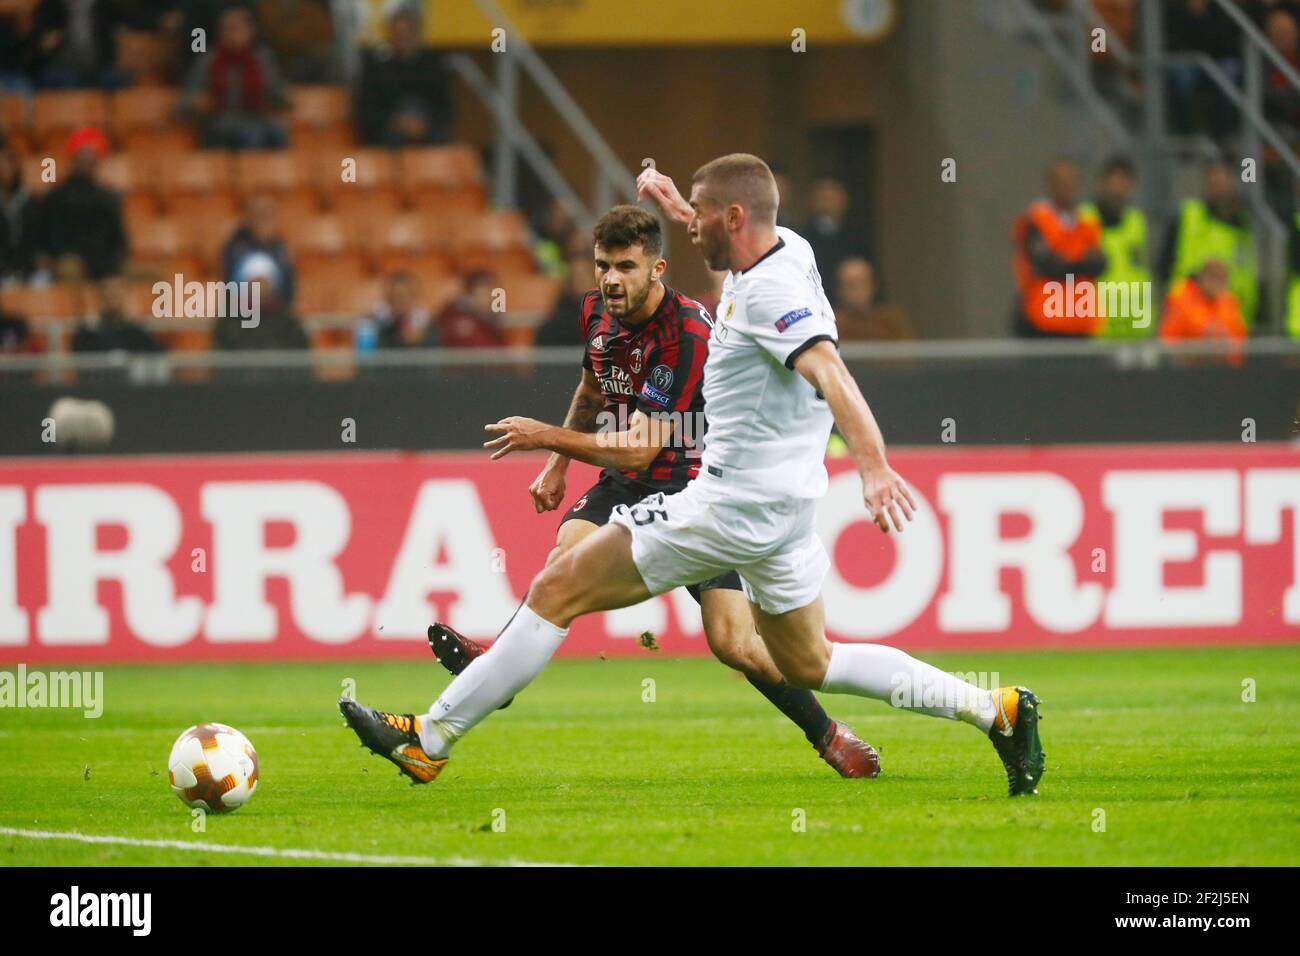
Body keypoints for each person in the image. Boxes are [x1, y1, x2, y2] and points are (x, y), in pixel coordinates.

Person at [340, 154, 1046, 798]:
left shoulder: (767, 296)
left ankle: (428, 739)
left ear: (733, 219)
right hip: (788, 512)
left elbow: (829, 369)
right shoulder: (787, 251)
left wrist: (874, 466)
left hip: (727, 505)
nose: (690, 230)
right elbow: (730, 245)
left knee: (558, 585)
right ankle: (997, 711)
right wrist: (679, 205)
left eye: (701, 217)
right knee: (807, 661)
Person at [423, 204, 879, 780]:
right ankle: (493, 672)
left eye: (625, 267)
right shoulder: (596, 311)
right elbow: (593, 386)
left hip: (696, 489)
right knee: (561, 564)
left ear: (657, 268)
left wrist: (542, 437)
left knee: (735, 644)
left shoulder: (687, 331)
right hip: (627, 479)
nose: (611, 279)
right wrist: (559, 465)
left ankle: (829, 733)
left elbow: (642, 445)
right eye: (602, 266)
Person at [1011, 159, 1105, 337]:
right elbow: (1050, 265)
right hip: (1043, 321)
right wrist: (1081, 262)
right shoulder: (1036, 220)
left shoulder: (1086, 222)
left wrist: (1069, 261)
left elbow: (1099, 264)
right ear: (1050, 185)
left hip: (1080, 321)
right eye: (1062, 182)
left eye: (1071, 181)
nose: (1067, 187)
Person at [1160, 159, 1257, 329]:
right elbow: (1164, 264)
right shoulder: (1188, 216)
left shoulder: (1242, 226)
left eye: (1224, 181)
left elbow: (1246, 276)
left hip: (1230, 320)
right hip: (1188, 321)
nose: (1219, 188)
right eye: (1214, 181)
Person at [179, 5, 289, 150]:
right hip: (218, 120)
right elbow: (183, 103)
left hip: (256, 117)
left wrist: (276, 101)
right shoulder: (208, 60)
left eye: (239, 28)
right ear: (220, 32)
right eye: (229, 29)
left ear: (251, 31)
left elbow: (279, 95)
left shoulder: (262, 59)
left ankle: (278, 172)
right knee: (251, 133)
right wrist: (197, 103)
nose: (234, 34)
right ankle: (250, 172)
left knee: (278, 132)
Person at [355, 6, 453, 147]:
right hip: (387, 135)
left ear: (417, 34)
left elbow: (446, 108)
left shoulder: (433, 66)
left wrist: (424, 124)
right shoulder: (376, 69)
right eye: (398, 33)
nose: (402, 38)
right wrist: (396, 122)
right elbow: (367, 110)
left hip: (429, 133)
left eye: (407, 32)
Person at [39, 126, 127, 280]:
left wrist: (112, 261)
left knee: (153, 276)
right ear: (73, 158)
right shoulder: (57, 197)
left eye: (91, 155)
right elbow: (53, 242)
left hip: (106, 264)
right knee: (70, 267)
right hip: (73, 264)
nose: (87, 160)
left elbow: (119, 240)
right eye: (82, 155)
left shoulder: (109, 197)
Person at [1080, 156, 1154, 338]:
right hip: (1098, 327)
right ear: (1101, 184)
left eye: (1123, 183)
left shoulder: (1137, 221)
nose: (1117, 190)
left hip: (1135, 326)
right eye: (1113, 182)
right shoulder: (1084, 219)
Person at [221, 194, 296, 307]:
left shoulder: (281, 249)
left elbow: (288, 291)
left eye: (269, 215)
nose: (264, 221)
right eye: (260, 215)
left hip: (275, 315)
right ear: (249, 218)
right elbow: (229, 289)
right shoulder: (234, 247)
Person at [71, 276, 162, 353]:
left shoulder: (136, 330)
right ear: (100, 296)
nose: (112, 297)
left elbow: (152, 353)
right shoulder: (88, 330)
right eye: (108, 293)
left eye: (116, 294)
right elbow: (80, 358)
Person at [0, 147, 44, 282]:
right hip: (3, 265)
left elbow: (38, 235)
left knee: (42, 280)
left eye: (9, 165)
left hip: (28, 266)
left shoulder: (31, 200)